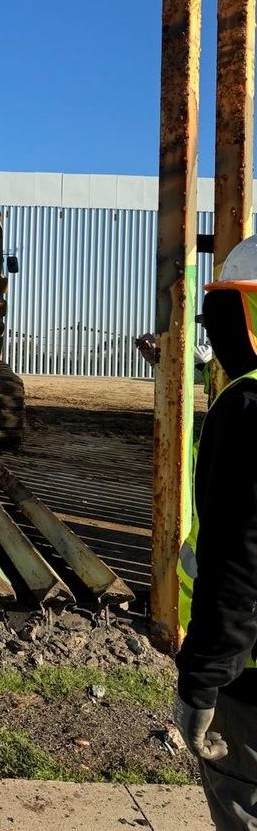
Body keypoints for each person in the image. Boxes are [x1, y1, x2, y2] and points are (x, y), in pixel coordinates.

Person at [174, 235, 257, 829]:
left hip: (249, 675)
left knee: (243, 803)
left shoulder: (248, 408)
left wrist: (202, 681)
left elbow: (238, 566)